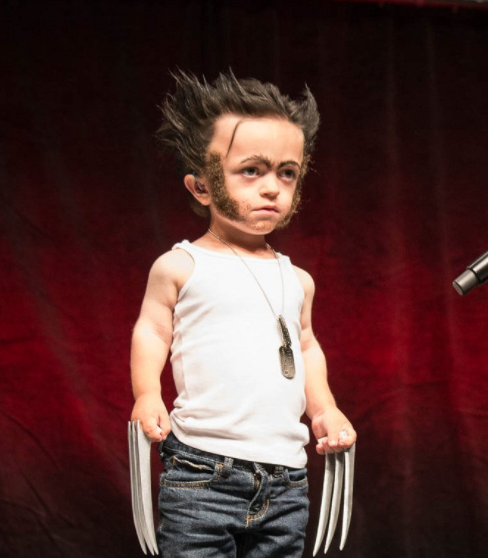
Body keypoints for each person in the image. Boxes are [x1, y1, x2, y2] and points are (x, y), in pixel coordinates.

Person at [129, 70, 356, 557]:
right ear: (202, 186)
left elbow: (307, 346)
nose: (272, 187)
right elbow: (151, 331)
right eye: (251, 170)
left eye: (287, 172)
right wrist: (147, 394)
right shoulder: (181, 266)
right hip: (201, 474)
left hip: (287, 479)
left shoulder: (297, 280)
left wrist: (324, 407)